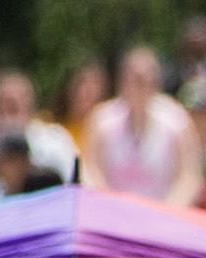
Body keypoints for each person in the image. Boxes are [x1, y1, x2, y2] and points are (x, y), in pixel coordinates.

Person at [83, 46, 197, 203]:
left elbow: (189, 177)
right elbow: (91, 170)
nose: (138, 87)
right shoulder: (102, 120)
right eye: (133, 79)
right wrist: (108, 204)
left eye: (144, 80)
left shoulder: (176, 122)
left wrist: (168, 211)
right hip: (112, 214)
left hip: (162, 215)